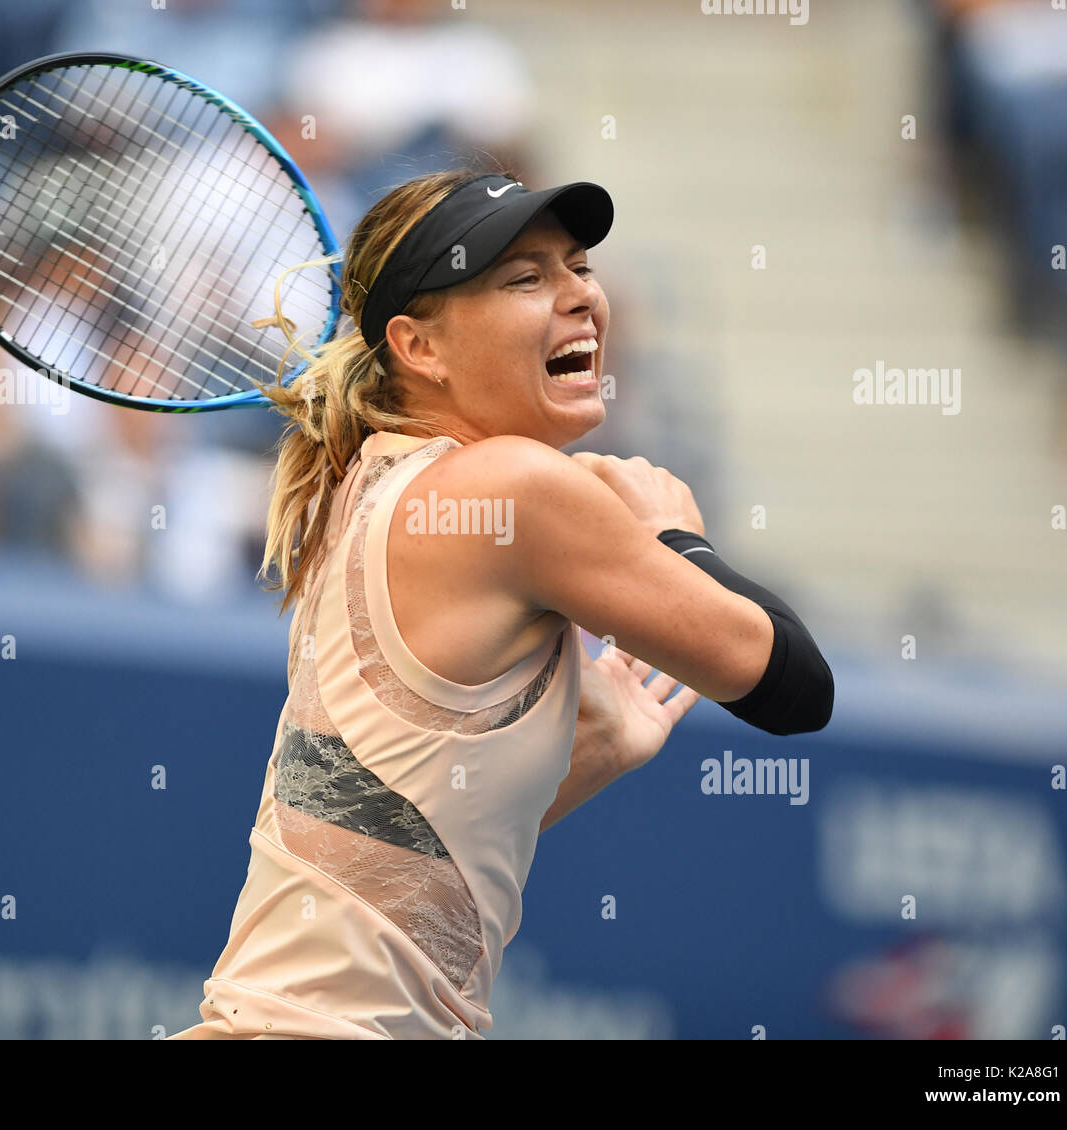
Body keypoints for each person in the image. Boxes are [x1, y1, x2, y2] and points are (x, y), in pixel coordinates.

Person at [169, 169, 833, 1040]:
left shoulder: (368, 485)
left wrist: (579, 756)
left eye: (580, 267)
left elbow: (382, 838)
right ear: (420, 347)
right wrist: (676, 536)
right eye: (525, 278)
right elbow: (794, 686)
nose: (582, 296)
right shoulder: (511, 488)